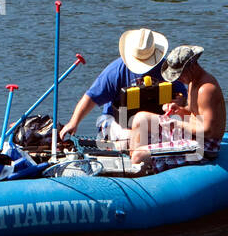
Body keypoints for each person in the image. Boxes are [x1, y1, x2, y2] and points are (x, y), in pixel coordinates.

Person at [57, 28, 185, 149]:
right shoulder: (116, 70)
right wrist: (74, 122)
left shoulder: (167, 69)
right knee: (131, 139)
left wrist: (181, 102)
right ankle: (116, 148)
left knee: (179, 134)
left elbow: (183, 97)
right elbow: (91, 97)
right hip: (116, 121)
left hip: (153, 121)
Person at [131, 45, 225, 172]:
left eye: (179, 75)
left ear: (191, 67)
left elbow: (208, 130)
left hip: (204, 146)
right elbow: (195, 113)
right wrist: (180, 110)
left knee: (139, 155)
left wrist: (177, 124)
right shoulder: (193, 82)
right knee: (140, 118)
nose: (178, 79)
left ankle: (140, 171)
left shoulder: (206, 89)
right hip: (190, 134)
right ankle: (136, 168)